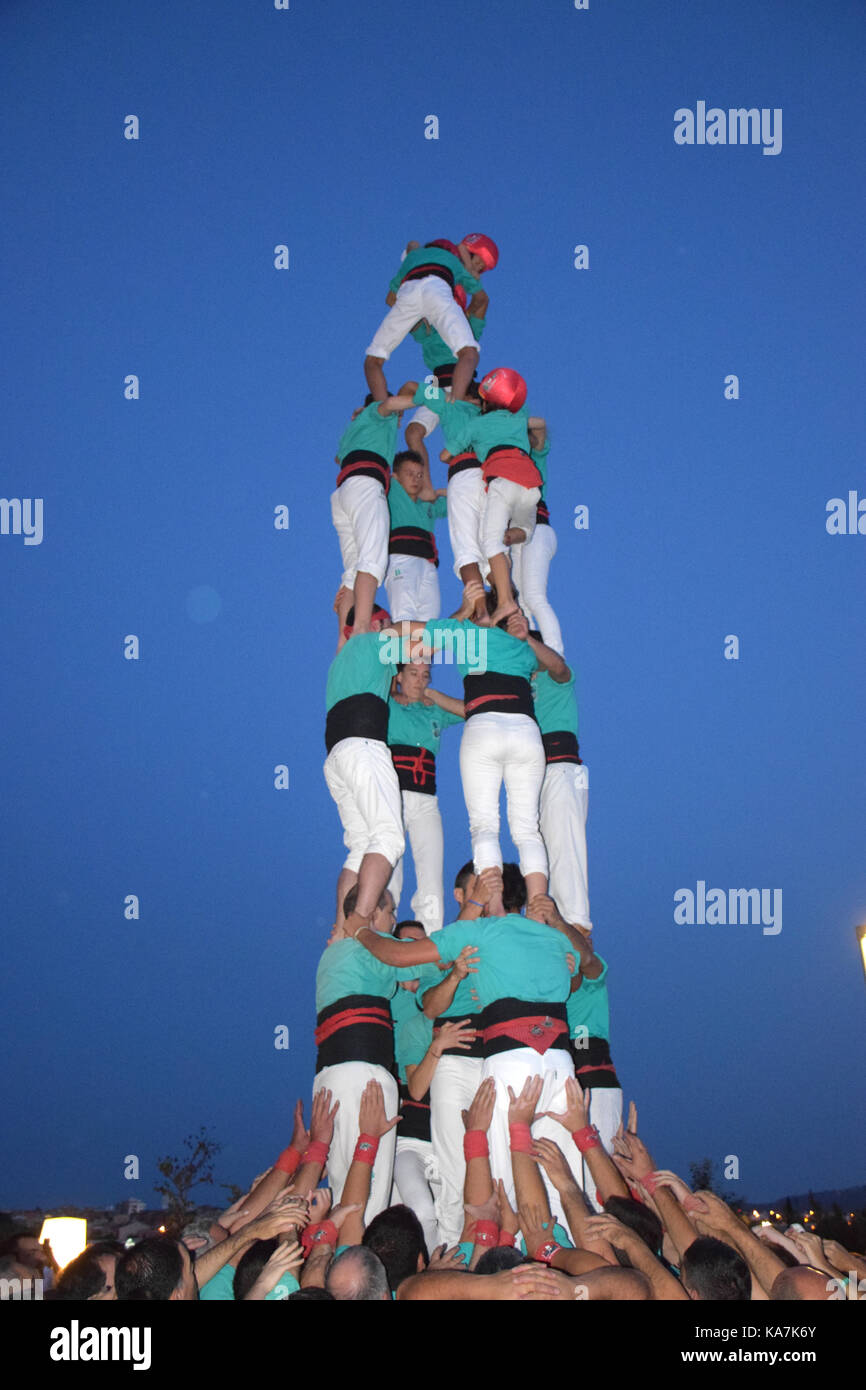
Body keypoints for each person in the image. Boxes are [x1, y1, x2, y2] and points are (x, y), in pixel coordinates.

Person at [354, 867, 588, 1232]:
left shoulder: (478, 933)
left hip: (505, 1060)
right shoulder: (550, 937)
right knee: (552, 1165)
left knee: (504, 1170)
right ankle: (548, 1251)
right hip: (553, 1059)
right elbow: (576, 975)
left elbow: (396, 955)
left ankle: (515, 1256)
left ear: (492, 894)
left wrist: (359, 929)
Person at [312, 888, 420, 1220]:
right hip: (366, 1076)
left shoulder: (330, 954)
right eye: (391, 912)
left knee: (344, 1185)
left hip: (327, 1079)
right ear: (373, 915)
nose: (394, 919)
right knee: (370, 1196)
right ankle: (362, 1266)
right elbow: (425, 968)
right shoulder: (379, 950)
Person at [323, 609, 404, 937]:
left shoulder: (341, 660)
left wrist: (341, 612)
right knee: (388, 838)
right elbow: (427, 642)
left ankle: (340, 933)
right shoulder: (375, 642)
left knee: (360, 844)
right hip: (363, 746)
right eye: (386, 621)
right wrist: (464, 617)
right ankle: (359, 921)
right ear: (376, 625)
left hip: (337, 756)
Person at [365, 235, 497, 404]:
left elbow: (390, 299)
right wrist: (470, 272)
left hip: (435, 387)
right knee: (469, 353)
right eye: (479, 263)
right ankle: (455, 407)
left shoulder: (413, 258)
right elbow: (481, 299)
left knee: (373, 360)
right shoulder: (453, 261)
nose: (479, 268)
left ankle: (381, 413)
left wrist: (418, 315)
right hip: (450, 389)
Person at [331, 386, 417, 643]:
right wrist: (436, 400)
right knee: (373, 560)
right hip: (366, 484)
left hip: (343, 491)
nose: (400, 420)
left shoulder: (356, 429)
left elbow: (338, 459)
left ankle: (342, 642)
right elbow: (393, 401)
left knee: (353, 570)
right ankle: (359, 629)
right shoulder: (378, 414)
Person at [387, 660, 464, 933]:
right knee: (389, 869)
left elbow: (470, 711)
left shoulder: (434, 709)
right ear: (398, 676)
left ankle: (430, 937)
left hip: (426, 800)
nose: (420, 680)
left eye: (426, 675)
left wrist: (432, 695)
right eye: (413, 674)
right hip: (392, 797)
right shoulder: (386, 704)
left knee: (431, 871)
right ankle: (382, 933)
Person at [529, 632, 590, 930]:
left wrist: (522, 637)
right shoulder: (521, 688)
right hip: (538, 776)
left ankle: (577, 924)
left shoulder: (555, 677)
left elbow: (559, 666)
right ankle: (555, 925)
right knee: (546, 850)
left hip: (561, 768)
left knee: (566, 847)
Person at [510, 417, 563, 655]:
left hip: (537, 529)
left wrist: (509, 422)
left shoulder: (533, 457)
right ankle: (531, 654)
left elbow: (541, 426)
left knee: (534, 596)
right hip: (517, 536)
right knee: (520, 601)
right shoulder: (499, 464)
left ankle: (555, 652)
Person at [384, 450, 449, 622]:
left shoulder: (427, 506)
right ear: (396, 477)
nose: (416, 479)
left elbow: (457, 501)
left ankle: (420, 650)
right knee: (404, 616)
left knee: (430, 621)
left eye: (420, 475)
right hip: (401, 559)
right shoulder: (392, 493)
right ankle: (400, 648)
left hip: (428, 565)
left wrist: (439, 493)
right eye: (410, 474)